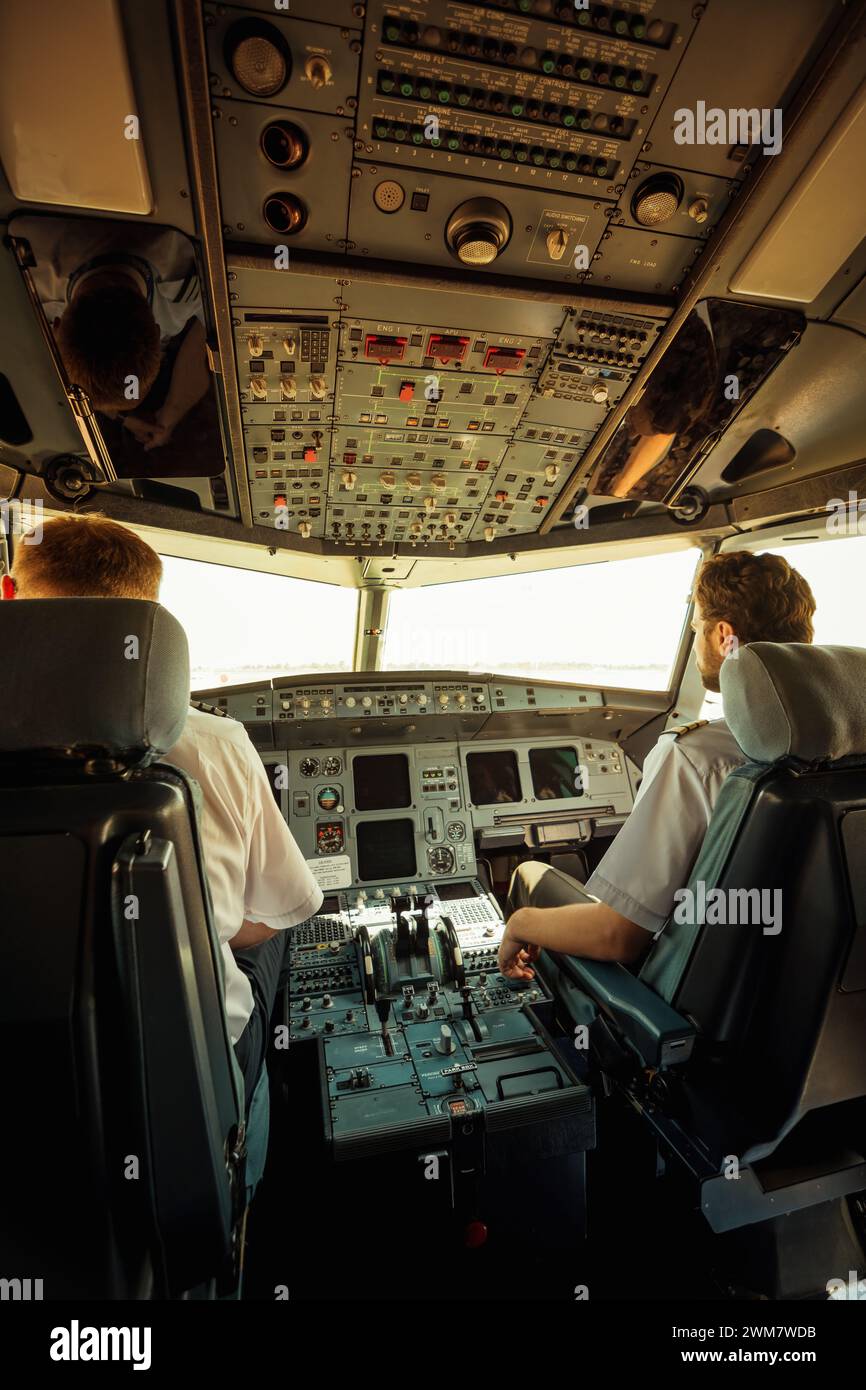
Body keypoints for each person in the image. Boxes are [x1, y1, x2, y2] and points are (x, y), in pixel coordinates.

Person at [1, 513, 322, 1190]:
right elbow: (277, 912)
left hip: (29, 1111)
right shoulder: (217, 743)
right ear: (149, 623)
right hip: (197, 1084)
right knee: (284, 928)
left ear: (9, 595)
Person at [499, 551, 816, 979]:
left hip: (680, 997)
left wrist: (519, 924)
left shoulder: (694, 756)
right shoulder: (841, 747)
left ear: (724, 634)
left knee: (529, 873)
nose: (694, 634)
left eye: (697, 626)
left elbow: (618, 936)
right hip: (802, 988)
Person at [12, 215, 210, 451]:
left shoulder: (189, 277)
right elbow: (204, 342)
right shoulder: (24, 278)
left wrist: (164, 415)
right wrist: (140, 418)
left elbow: (201, 342)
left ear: (158, 335)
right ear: (56, 328)